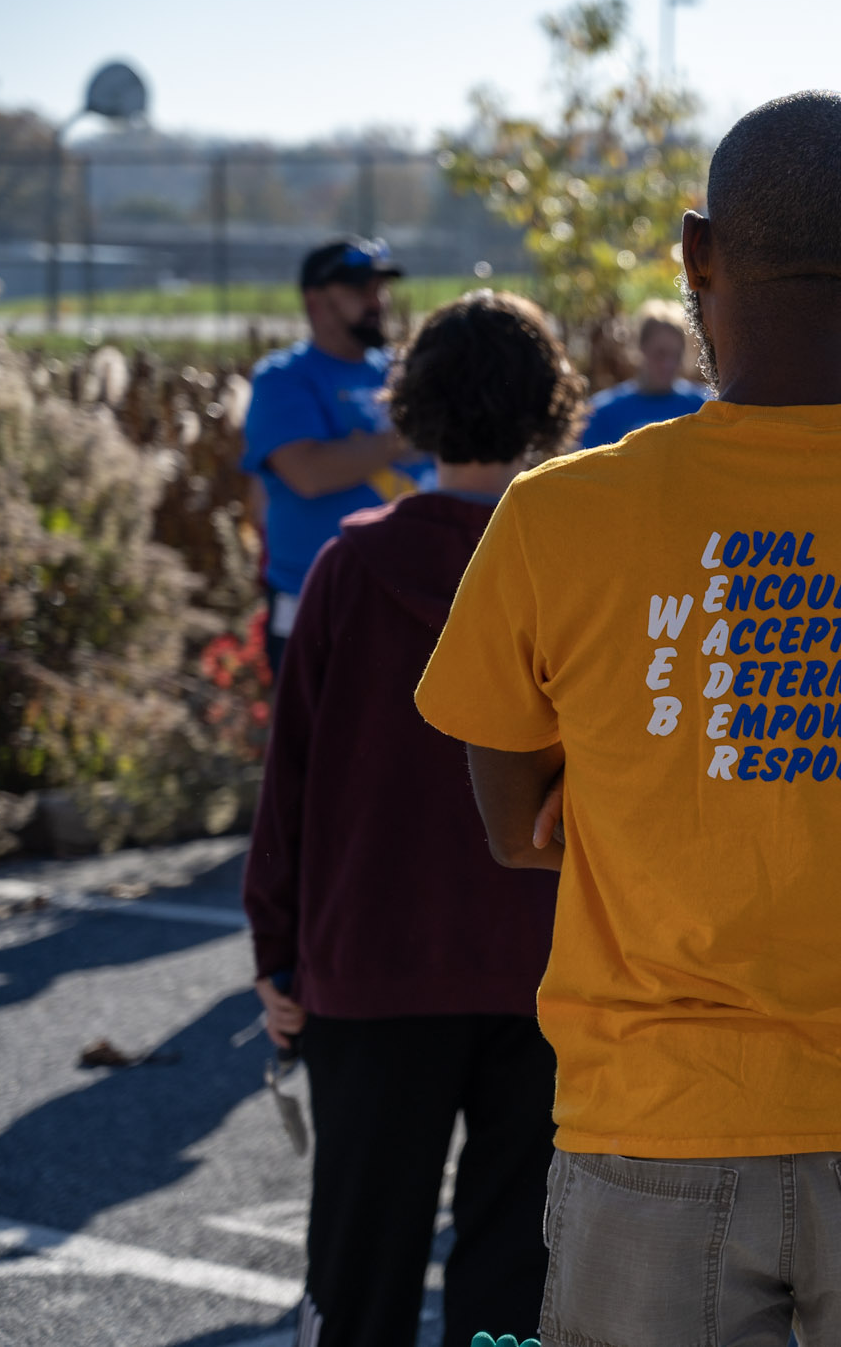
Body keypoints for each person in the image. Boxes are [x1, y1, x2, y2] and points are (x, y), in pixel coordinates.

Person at [415, 92, 841, 1347]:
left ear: (695, 253)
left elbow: (514, 824)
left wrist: (649, 798)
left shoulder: (556, 518)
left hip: (650, 1138)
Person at [243, 290, 581, 1347]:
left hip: (372, 965)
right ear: (549, 410)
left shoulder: (347, 567)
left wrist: (276, 949)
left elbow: (290, 778)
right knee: (515, 1276)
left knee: (359, 1266)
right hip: (547, 964)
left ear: (416, 406)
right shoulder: (573, 571)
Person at [242, 237, 431, 676]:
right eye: (359, 290)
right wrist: (404, 437)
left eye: (379, 289)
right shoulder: (283, 378)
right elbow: (308, 472)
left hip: (402, 596)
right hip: (314, 604)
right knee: (312, 743)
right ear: (315, 302)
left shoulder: (401, 372)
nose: (376, 301)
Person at [577, 298, 709, 448]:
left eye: (676, 355)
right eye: (660, 354)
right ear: (640, 349)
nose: (668, 364)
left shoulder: (703, 407)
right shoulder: (602, 413)